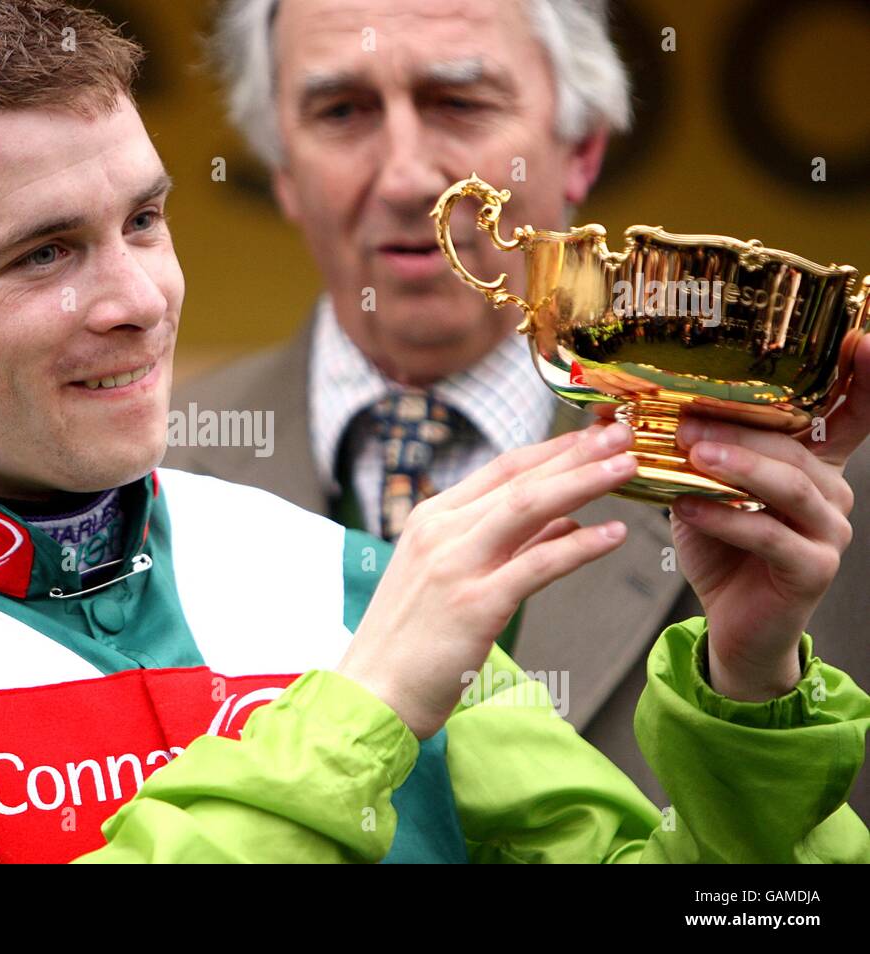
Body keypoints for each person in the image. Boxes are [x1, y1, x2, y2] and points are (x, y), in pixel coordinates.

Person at [0, 0, 868, 865]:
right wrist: (365, 710)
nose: (139, 299)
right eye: (44, 255)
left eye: (145, 219)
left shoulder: (337, 577)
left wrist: (749, 696)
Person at [166, 0, 870, 814]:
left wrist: (755, 692)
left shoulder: (813, 487)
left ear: (582, 147)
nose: (404, 176)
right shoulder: (151, 476)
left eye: (459, 103)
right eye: (343, 111)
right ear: (282, 170)